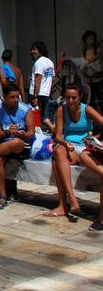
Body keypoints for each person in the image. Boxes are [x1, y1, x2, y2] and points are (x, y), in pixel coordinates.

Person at [46, 83, 103, 218]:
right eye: (67, 97)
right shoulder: (61, 110)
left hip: (84, 147)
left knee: (56, 163)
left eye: (73, 98)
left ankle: (64, 205)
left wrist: (97, 139)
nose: (70, 101)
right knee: (59, 150)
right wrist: (65, 143)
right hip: (68, 146)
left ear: (80, 97)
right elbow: (58, 136)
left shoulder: (86, 109)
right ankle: (72, 199)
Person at [0, 84, 35, 209]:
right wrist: (8, 132)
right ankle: (2, 195)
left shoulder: (26, 109)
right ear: (4, 97)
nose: (16, 100)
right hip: (3, 144)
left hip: (21, 144)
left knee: (16, 142)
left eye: (17, 97)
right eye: (12, 97)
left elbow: (31, 133)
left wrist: (22, 133)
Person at [29, 40, 55, 119]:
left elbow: (38, 79)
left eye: (34, 49)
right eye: (32, 49)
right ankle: (52, 128)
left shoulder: (39, 62)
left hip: (37, 94)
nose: (32, 51)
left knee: (33, 115)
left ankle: (51, 129)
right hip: (46, 93)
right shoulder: (50, 62)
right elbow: (52, 78)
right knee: (43, 116)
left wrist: (35, 97)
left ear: (40, 51)